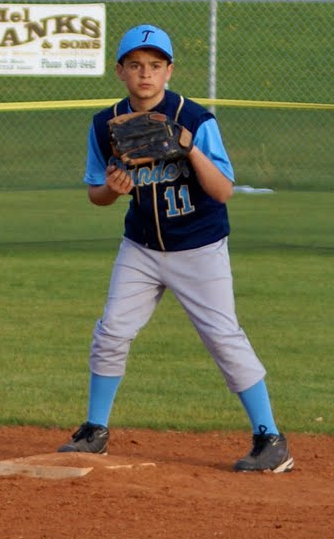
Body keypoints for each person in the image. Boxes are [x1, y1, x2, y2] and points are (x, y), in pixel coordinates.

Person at [58, 24, 291, 473]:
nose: (145, 74)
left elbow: (223, 191)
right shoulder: (104, 125)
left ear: (169, 71)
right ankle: (95, 430)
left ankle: (270, 438)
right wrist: (114, 188)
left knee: (223, 338)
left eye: (155, 65)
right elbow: (96, 194)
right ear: (120, 72)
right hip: (141, 247)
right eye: (136, 65)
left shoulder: (196, 119)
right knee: (111, 333)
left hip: (199, 246)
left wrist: (187, 148)